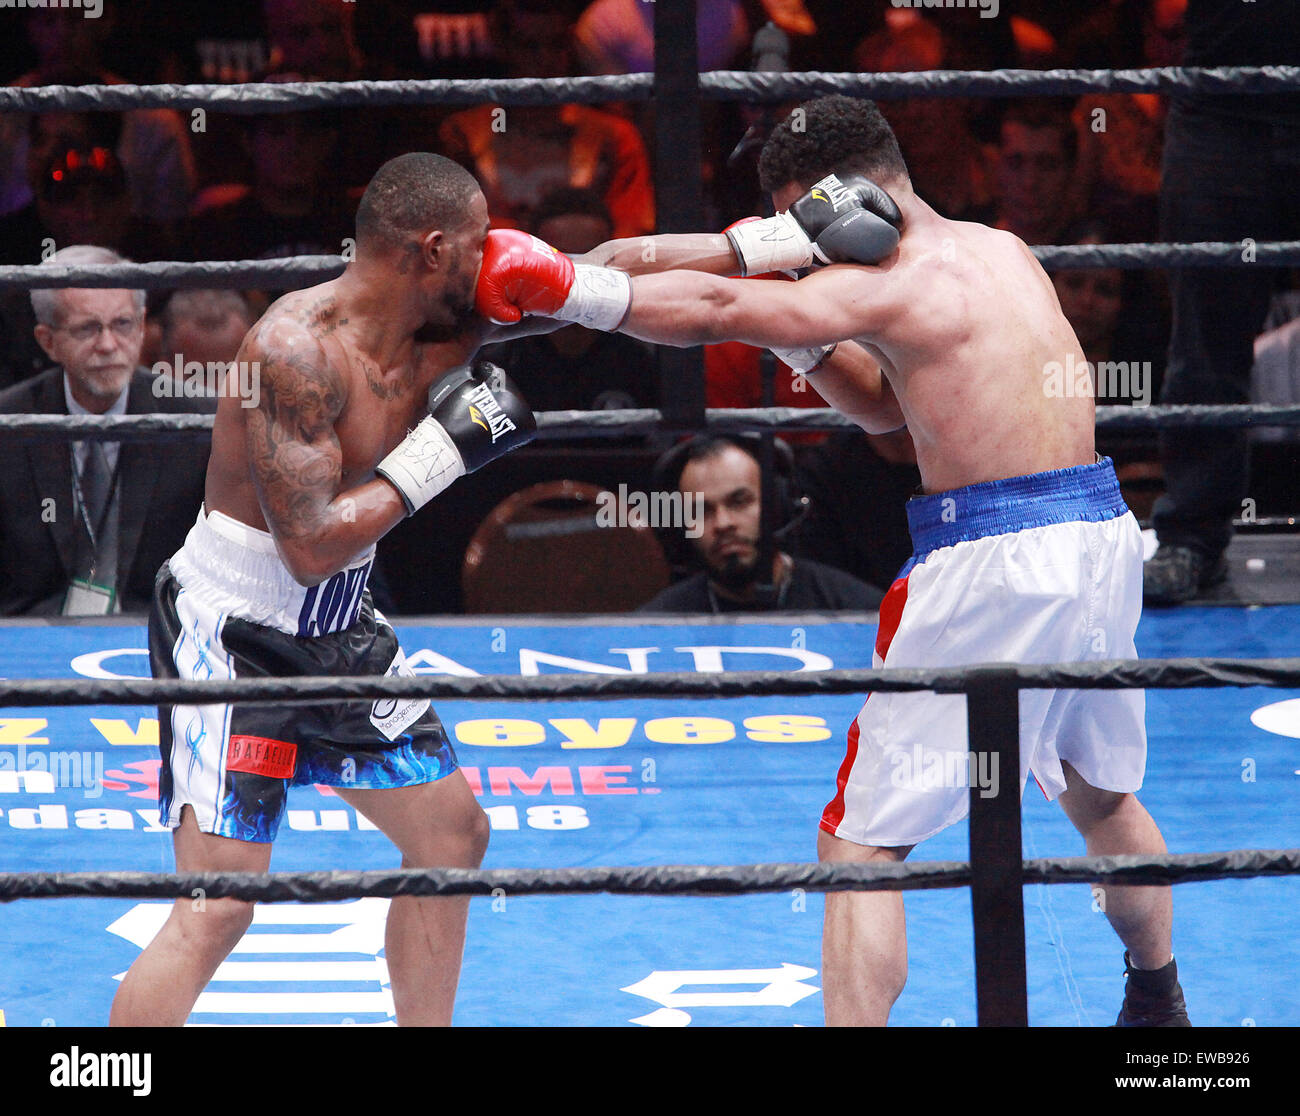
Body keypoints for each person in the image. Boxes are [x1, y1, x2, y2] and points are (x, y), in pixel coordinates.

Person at [475, 94, 1188, 1027]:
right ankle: (1161, 1005)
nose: (802, 240)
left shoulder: (896, 282)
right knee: (1097, 791)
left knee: (859, 842)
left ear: (840, 198)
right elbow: (891, 409)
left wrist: (576, 293)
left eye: (801, 218)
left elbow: (722, 303)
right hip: (1096, 537)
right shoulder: (1000, 250)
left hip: (997, 556)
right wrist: (794, 320)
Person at [109, 152, 538, 1027]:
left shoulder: (444, 323)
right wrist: (441, 453)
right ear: (430, 248)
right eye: (477, 242)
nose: (493, 257)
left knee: (450, 837)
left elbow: (603, 273)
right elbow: (306, 545)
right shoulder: (291, 349)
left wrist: (759, 246)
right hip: (238, 633)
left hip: (343, 628)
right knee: (219, 904)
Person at [0, 246, 211, 617]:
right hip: (29, 634)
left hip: (157, 628)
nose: (108, 345)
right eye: (87, 328)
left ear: (143, 325)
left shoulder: (200, 420)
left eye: (122, 324)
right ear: (47, 341)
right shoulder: (8, 423)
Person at [638, 434, 883, 613]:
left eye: (739, 502)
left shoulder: (860, 613)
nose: (723, 523)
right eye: (701, 510)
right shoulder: (656, 627)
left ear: (778, 503)